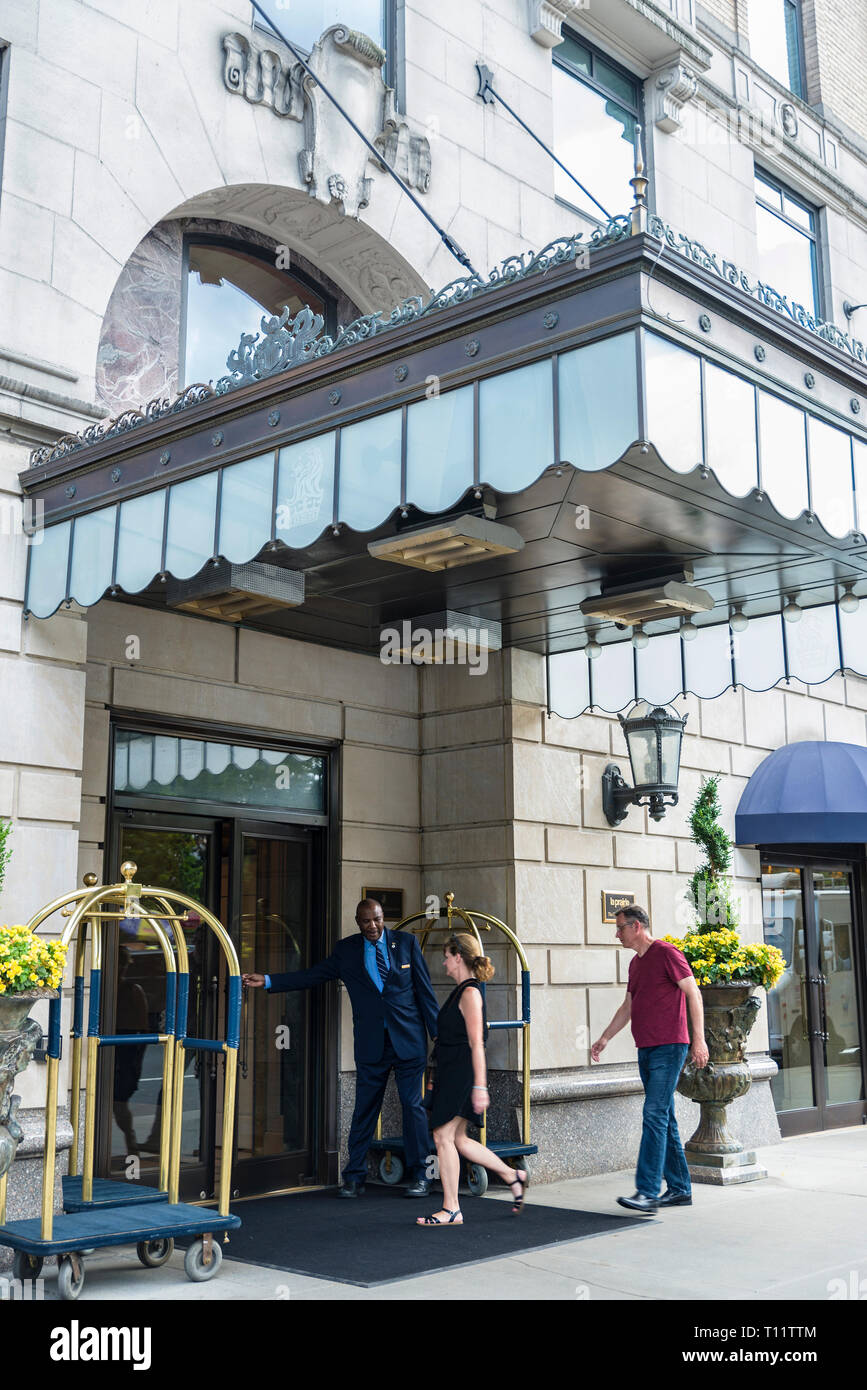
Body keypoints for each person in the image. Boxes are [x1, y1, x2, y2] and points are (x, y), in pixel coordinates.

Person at [243, 898, 439, 1198]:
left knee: (413, 1108)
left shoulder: (407, 943)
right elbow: (313, 975)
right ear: (357, 921)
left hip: (408, 1042)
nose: (372, 926)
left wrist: (439, 1039)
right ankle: (354, 1176)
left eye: (377, 919)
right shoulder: (347, 950)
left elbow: (425, 994)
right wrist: (269, 980)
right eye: (365, 921)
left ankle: (421, 1176)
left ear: (383, 917)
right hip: (372, 1045)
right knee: (363, 1110)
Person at [591, 905, 709, 1215]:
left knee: (654, 1113)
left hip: (670, 1047)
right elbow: (628, 1006)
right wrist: (605, 1037)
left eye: (620, 928)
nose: (616, 934)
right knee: (665, 1118)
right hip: (646, 1048)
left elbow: (693, 994)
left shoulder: (667, 953)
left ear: (637, 928)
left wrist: (699, 1039)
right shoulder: (635, 964)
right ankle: (681, 1189)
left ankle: (647, 1192)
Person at [416, 932, 528, 1227]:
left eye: (446, 955)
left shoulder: (470, 993)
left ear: (458, 956)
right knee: (458, 1139)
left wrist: (480, 1086)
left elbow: (478, 1043)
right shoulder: (462, 991)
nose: (443, 962)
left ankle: (451, 1208)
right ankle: (511, 1175)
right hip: (452, 1073)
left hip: (463, 1076)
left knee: (442, 1136)